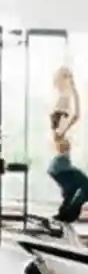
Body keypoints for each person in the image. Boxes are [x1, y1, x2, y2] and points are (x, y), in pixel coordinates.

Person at [49, 67, 87, 224]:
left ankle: (64, 215)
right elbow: (75, 115)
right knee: (84, 186)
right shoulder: (60, 125)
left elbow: (68, 112)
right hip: (61, 165)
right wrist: (74, 90)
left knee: (71, 191)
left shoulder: (59, 105)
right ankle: (67, 215)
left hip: (60, 164)